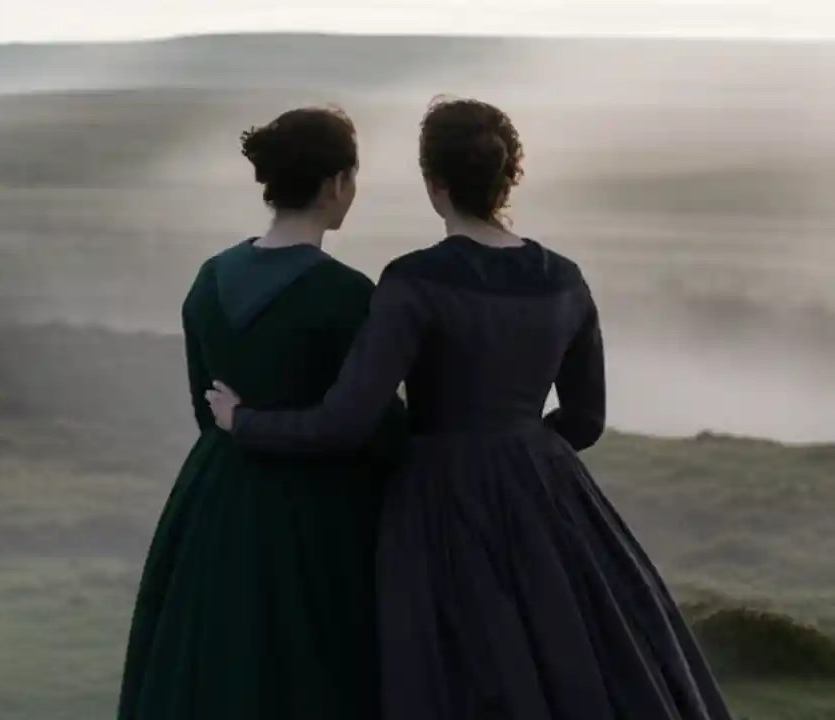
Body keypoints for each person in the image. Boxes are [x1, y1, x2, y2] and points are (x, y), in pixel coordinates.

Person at [206, 97, 733, 719]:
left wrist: (243, 422)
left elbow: (344, 423)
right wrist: (523, 455)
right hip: (547, 489)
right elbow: (585, 420)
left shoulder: (412, 283)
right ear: (506, 177)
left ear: (435, 184)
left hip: (439, 501)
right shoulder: (563, 279)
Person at [117, 106, 405, 720]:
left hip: (217, 500)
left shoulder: (210, 279)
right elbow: (376, 425)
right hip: (320, 517)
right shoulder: (347, 294)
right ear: (335, 183)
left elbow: (206, 406)